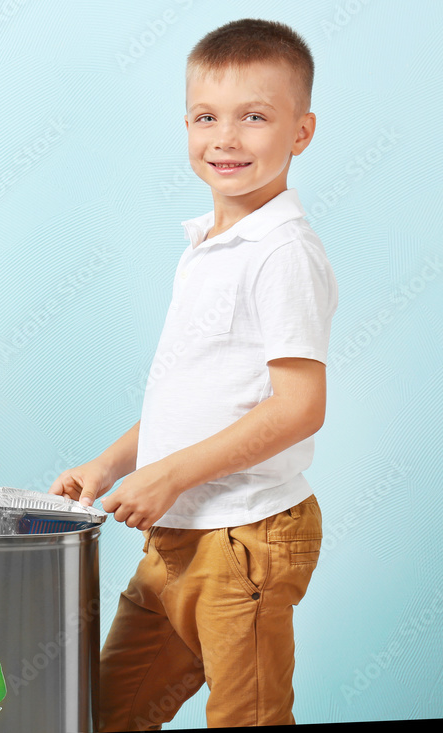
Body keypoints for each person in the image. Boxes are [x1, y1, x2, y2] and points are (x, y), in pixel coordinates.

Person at [50, 19, 337, 730]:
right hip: (176, 540)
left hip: (246, 539)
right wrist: (113, 463)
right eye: (207, 117)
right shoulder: (208, 248)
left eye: (255, 117)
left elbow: (299, 407)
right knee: (104, 713)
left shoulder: (282, 254)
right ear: (186, 126)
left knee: (249, 716)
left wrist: (172, 474)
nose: (226, 138)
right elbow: (197, 400)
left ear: (300, 133)